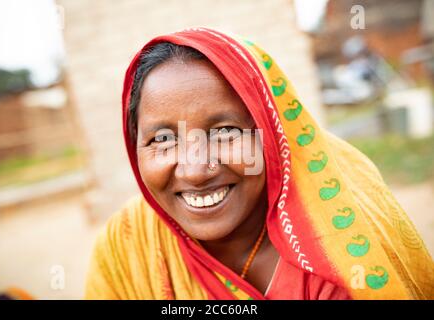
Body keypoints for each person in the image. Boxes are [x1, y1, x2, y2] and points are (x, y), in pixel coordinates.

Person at [85, 27, 433, 300]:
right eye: (163, 139)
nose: (194, 170)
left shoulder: (345, 230)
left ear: (271, 132)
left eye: (225, 131)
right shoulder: (127, 244)